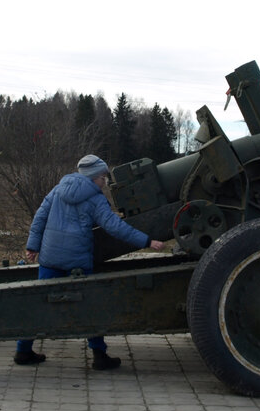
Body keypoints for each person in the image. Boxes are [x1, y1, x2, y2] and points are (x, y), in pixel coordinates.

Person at [18, 154, 165, 370]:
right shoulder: (95, 199)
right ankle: (99, 355)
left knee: (40, 305)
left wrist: (33, 246)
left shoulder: (58, 189)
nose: (105, 181)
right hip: (76, 262)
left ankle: (22, 350)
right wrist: (146, 240)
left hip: (50, 259)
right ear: (94, 177)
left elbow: (40, 217)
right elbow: (114, 227)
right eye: (103, 176)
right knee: (90, 307)